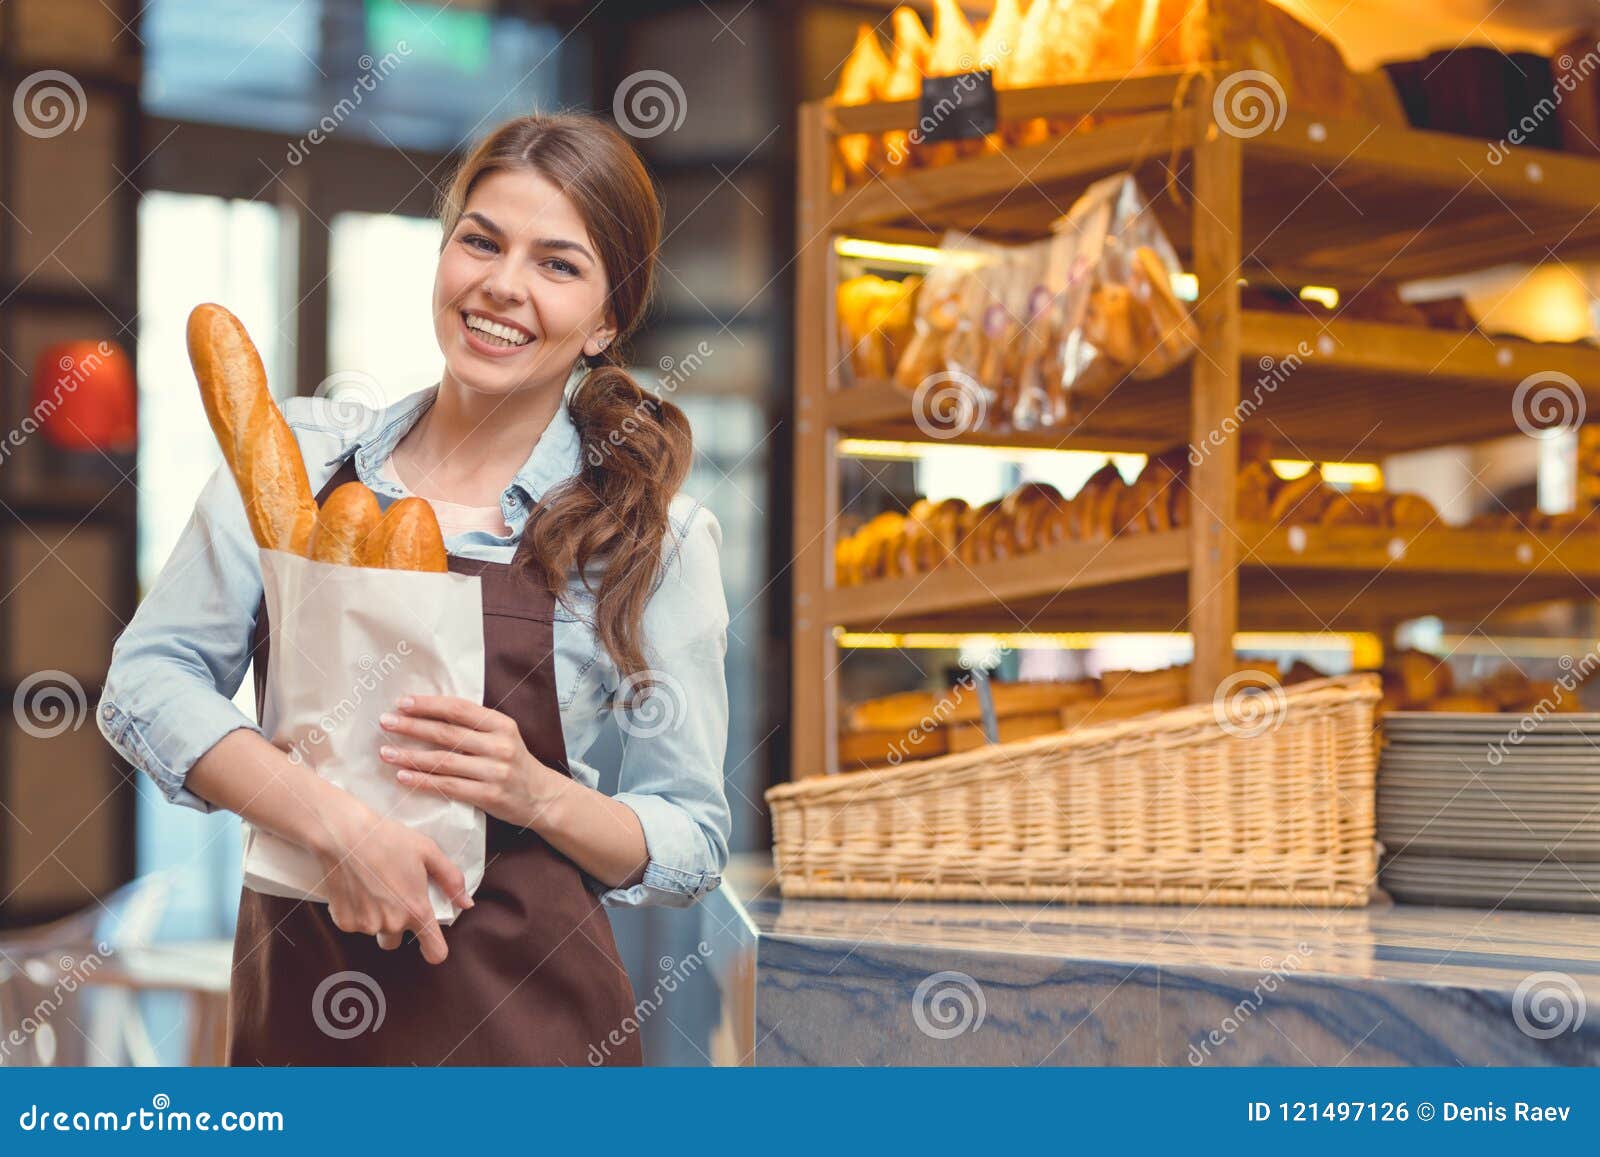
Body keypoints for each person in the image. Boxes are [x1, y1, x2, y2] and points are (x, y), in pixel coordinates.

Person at [96, 111, 732, 1065]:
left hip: (535, 1042)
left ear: (607, 318)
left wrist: (535, 792)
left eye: (558, 264)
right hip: (300, 1020)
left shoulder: (650, 532)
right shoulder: (301, 458)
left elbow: (691, 836)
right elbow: (146, 683)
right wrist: (338, 826)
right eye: (481, 240)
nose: (503, 285)